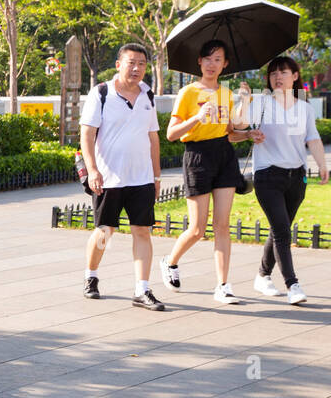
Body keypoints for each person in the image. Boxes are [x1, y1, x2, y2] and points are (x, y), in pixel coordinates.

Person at [159, 39, 247, 304]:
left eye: (218, 59)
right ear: (199, 61)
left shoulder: (227, 94)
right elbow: (171, 134)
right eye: (207, 58)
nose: (212, 64)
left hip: (223, 155)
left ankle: (223, 285)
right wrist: (196, 118)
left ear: (225, 64)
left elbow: (230, 133)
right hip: (197, 156)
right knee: (198, 229)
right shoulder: (188, 93)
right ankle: (170, 261)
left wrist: (248, 132)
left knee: (222, 224)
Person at [236, 55, 329, 304]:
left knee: (281, 228)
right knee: (281, 231)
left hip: (296, 178)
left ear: (295, 76)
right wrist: (244, 102)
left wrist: (322, 165)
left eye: (284, 72)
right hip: (268, 175)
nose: (278, 77)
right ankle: (293, 284)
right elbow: (237, 126)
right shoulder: (261, 103)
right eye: (274, 73)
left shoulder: (305, 108)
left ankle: (262, 275)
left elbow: (313, 139)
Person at [79, 43, 166, 310]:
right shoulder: (101, 93)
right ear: (119, 65)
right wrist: (93, 170)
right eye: (131, 62)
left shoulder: (147, 95)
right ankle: (91, 276)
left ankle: (142, 290)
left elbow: (153, 137)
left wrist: (156, 176)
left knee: (142, 231)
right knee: (106, 230)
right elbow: (87, 134)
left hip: (140, 178)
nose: (137, 68)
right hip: (109, 178)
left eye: (141, 63)